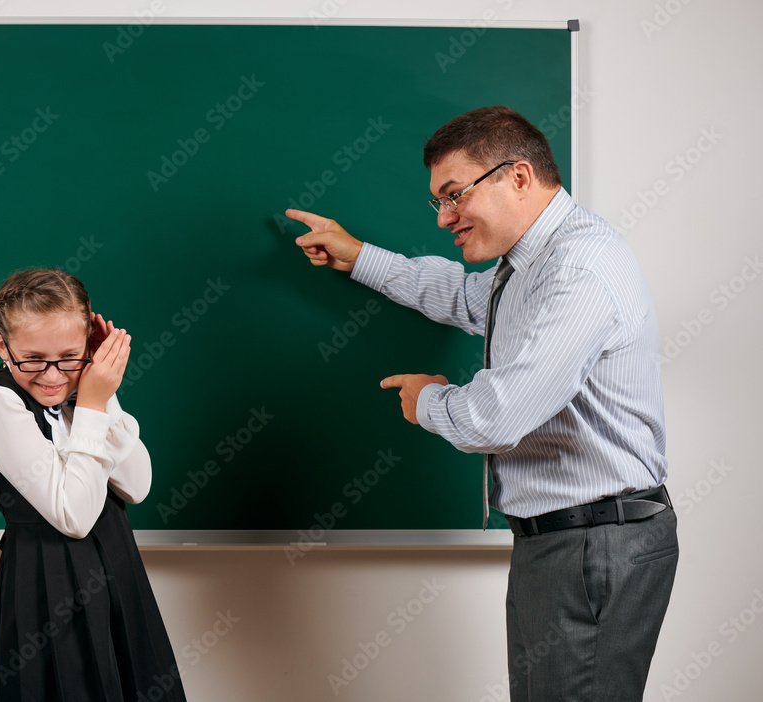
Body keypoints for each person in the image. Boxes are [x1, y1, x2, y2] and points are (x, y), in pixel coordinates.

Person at [288, 106, 678, 701]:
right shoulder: (527, 266)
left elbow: (498, 416)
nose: (445, 217)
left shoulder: (580, 268)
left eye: (454, 195)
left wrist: (430, 401)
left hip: (594, 547)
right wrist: (359, 255)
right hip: (558, 544)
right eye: (438, 202)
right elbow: (464, 297)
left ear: (517, 176)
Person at [0, 268, 186, 702]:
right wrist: (90, 402)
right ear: (2, 346)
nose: (53, 375)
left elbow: (137, 484)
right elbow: (74, 515)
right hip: (49, 583)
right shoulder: (0, 402)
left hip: (117, 567)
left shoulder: (86, 387)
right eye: (33, 358)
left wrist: (102, 394)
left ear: (88, 347)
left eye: (69, 357)